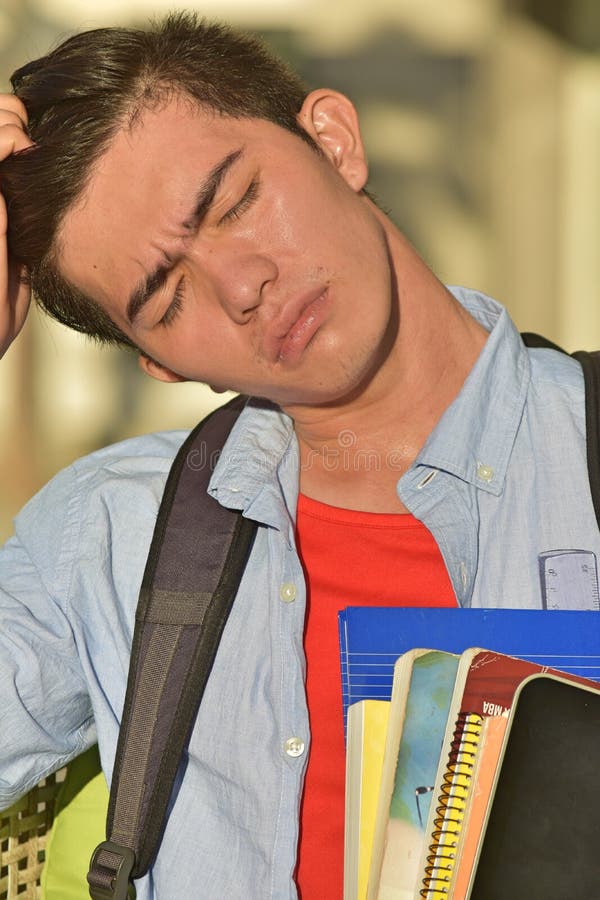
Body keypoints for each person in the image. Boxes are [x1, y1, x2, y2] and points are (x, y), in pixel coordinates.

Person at [0, 11, 598, 900]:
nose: (243, 286)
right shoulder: (109, 535)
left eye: (236, 202)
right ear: (161, 364)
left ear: (334, 138)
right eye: (166, 299)